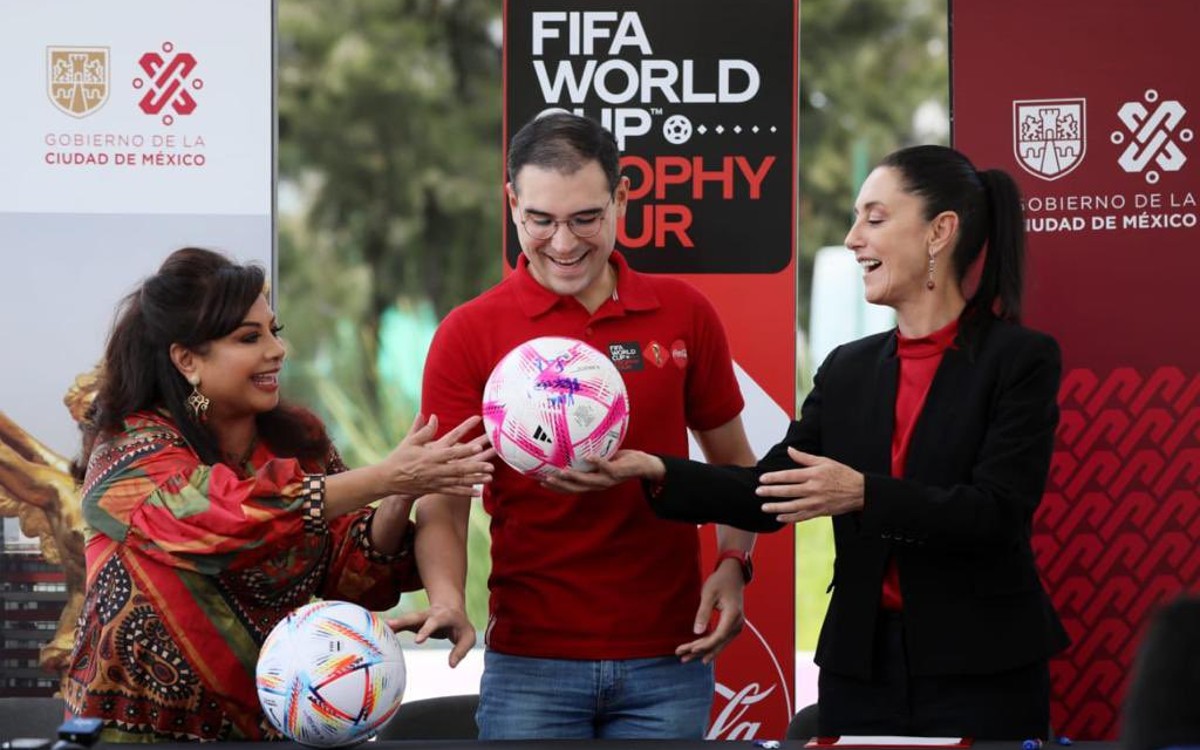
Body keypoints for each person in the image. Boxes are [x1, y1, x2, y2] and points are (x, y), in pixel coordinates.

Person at [562, 145, 1071, 739]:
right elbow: (766, 493)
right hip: (861, 668)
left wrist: (862, 495)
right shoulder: (848, 368)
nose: (853, 239)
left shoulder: (1020, 359)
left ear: (941, 232)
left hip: (984, 667)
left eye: (874, 219)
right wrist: (655, 470)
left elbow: (997, 512)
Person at [415, 111, 758, 739]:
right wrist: (446, 598)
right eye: (540, 221)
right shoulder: (470, 332)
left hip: (669, 658)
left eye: (585, 219)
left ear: (622, 198)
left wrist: (734, 562)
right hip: (530, 663)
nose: (564, 243)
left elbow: (735, 467)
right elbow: (442, 496)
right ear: (512, 203)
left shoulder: (685, 313)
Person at [62, 247, 495, 742]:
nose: (276, 350)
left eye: (275, 331)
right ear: (187, 359)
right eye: (250, 337)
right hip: (136, 737)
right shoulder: (128, 452)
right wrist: (388, 477)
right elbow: (224, 519)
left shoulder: (298, 442)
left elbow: (353, 577)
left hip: (274, 732)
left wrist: (402, 494)